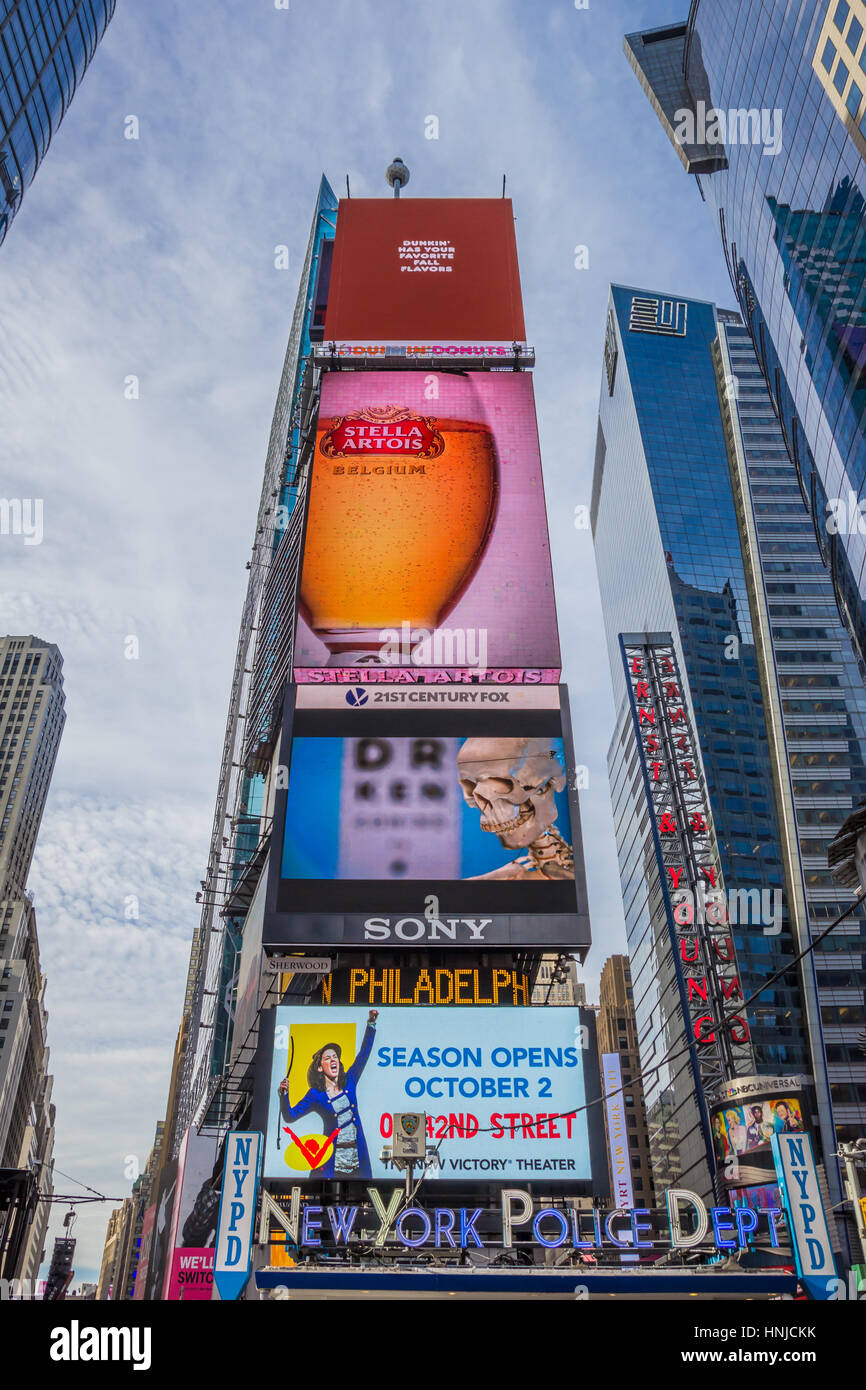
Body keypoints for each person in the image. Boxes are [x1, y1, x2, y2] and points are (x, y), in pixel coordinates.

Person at [277, 1010, 378, 1178]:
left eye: (335, 1057)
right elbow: (290, 1116)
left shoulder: (350, 1080)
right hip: (332, 1165)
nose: (333, 1060)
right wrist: (284, 1094)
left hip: (358, 1162)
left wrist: (371, 1024)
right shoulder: (316, 1095)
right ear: (319, 1066)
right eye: (328, 1058)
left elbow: (364, 1054)